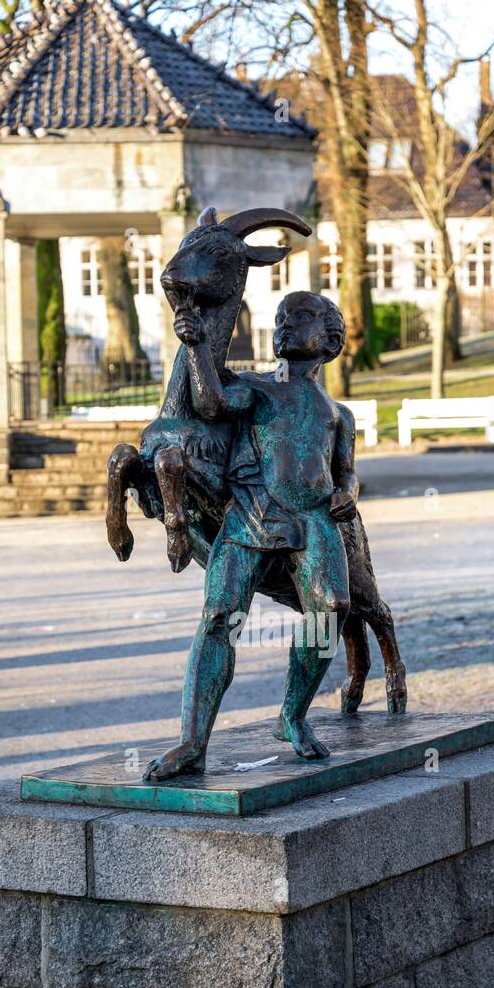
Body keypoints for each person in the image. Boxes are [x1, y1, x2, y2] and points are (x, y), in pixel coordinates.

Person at [144, 289, 357, 781]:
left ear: (329, 338)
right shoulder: (257, 389)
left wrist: (348, 491)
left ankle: (293, 716)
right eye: (280, 317)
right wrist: (195, 346)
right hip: (253, 512)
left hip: (315, 520)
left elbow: (345, 471)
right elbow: (212, 403)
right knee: (219, 616)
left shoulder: (337, 415)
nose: (283, 324)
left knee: (331, 610)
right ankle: (192, 744)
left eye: (298, 317)